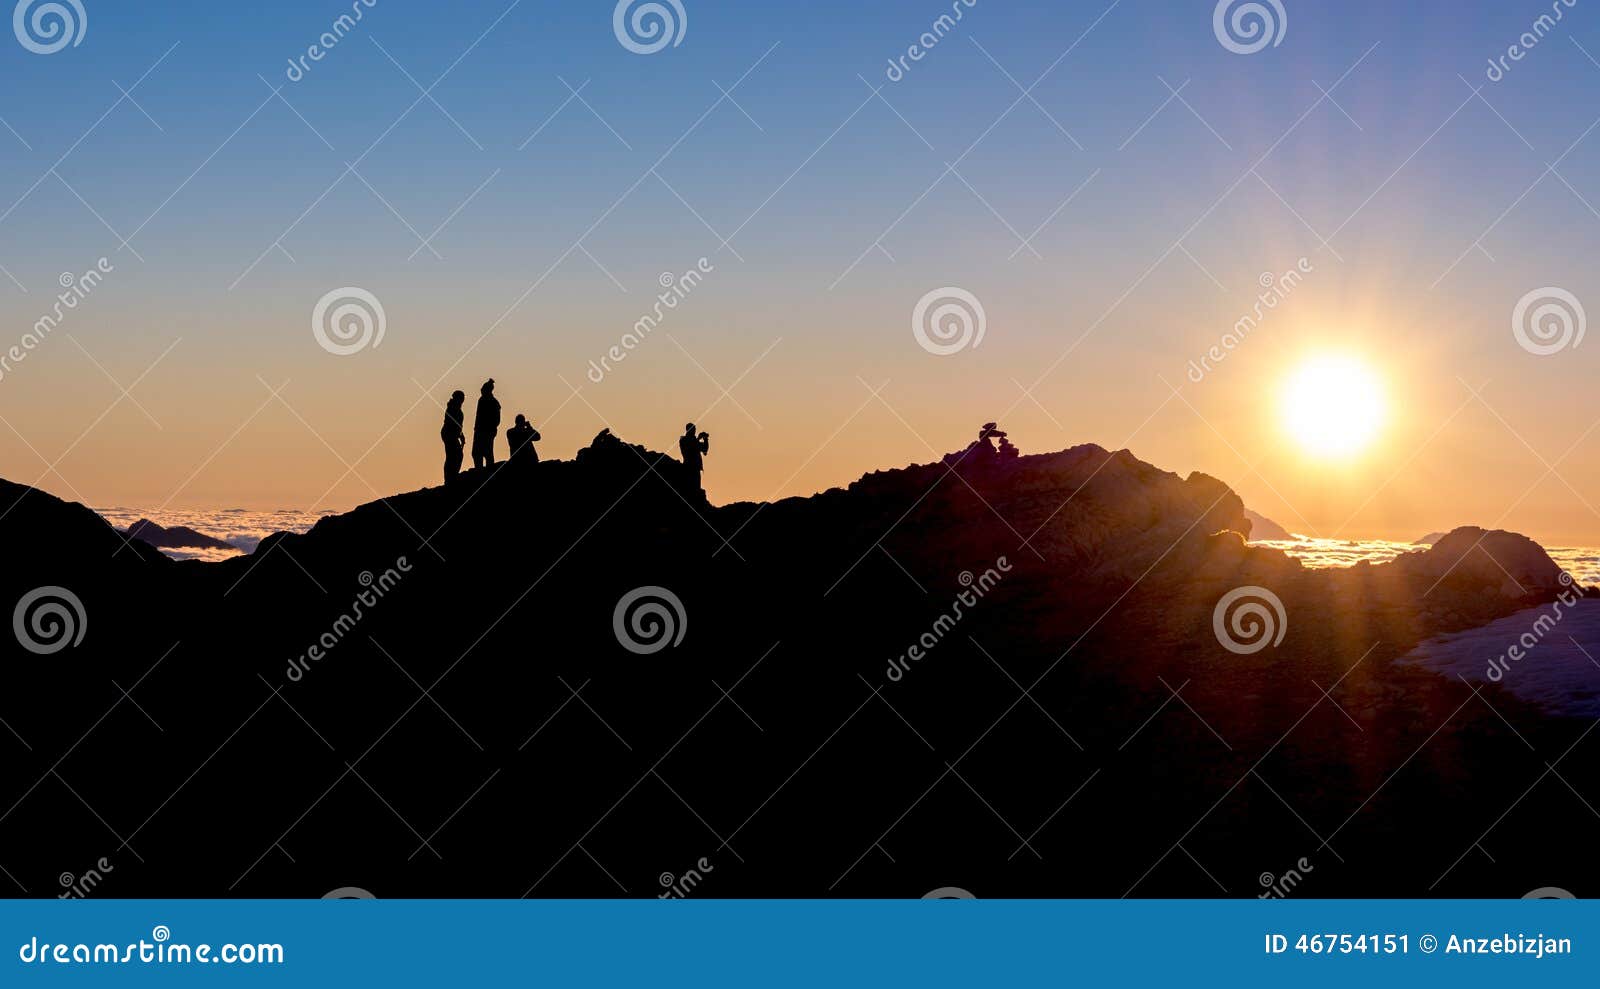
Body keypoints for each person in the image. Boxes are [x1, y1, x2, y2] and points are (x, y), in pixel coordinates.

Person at [472, 379, 501, 469]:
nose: (481, 390)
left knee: (486, 453)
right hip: (481, 430)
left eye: (483, 388)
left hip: (486, 431)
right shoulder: (482, 400)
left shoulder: (492, 402)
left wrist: (490, 429)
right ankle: (480, 470)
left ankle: (487, 472)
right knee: (477, 453)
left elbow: (496, 419)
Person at [678, 422, 710, 497]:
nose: (694, 431)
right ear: (688, 430)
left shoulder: (694, 441)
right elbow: (690, 448)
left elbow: (705, 450)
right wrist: (698, 439)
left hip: (696, 468)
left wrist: (705, 439)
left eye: (694, 430)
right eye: (693, 429)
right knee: (689, 490)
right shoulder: (684, 440)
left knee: (696, 489)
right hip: (688, 467)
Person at [441, 390, 466, 484]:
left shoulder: (455, 407)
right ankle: (450, 478)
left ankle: (451, 477)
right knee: (454, 456)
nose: (463, 400)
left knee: (455, 456)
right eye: (461, 398)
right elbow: (453, 424)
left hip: (451, 434)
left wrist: (461, 435)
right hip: (449, 434)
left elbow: (457, 425)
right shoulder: (453, 408)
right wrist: (459, 435)